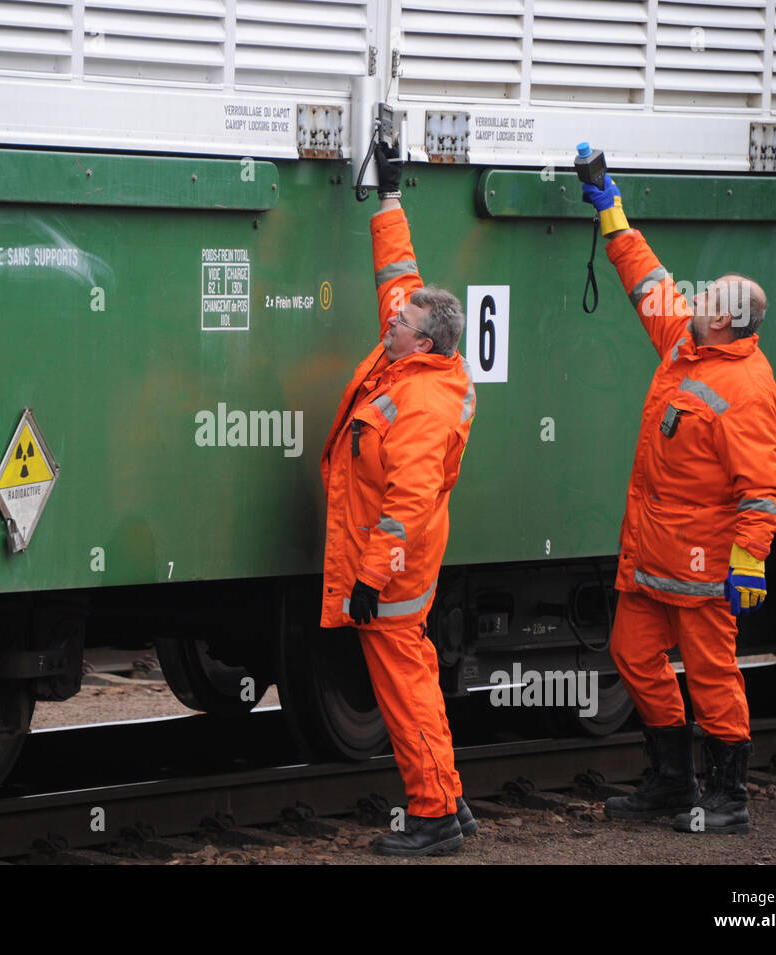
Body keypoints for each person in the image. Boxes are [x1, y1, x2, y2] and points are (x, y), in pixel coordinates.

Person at [582, 175, 776, 834]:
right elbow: (648, 281)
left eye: (708, 296)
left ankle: (730, 795)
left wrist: (749, 561)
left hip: (702, 567)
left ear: (725, 318)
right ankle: (674, 781)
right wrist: (612, 210)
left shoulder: (747, 389)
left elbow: (761, 488)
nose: (694, 297)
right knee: (633, 655)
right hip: (652, 553)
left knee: (712, 675)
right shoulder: (686, 340)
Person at [319, 143, 477, 856]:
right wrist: (389, 194)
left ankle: (434, 814)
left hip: (393, 568)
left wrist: (370, 577)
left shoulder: (420, 404)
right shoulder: (415, 355)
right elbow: (399, 274)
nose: (388, 323)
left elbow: (406, 504)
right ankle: (449, 797)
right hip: (397, 563)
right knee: (414, 676)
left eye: (400, 325)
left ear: (425, 343)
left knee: (404, 687)